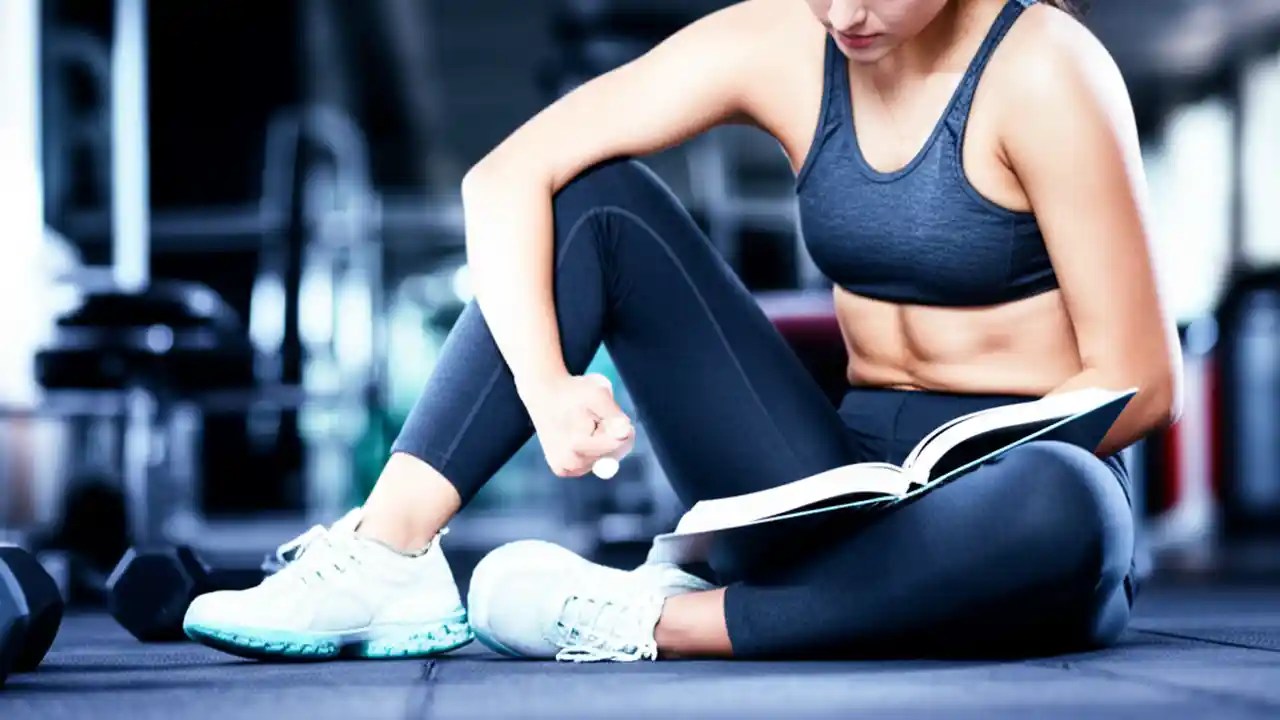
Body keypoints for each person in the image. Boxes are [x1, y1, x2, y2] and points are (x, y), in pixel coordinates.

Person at [183, 0, 1183, 663]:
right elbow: (505, 177)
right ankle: (388, 554)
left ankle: (648, 617)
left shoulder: (1045, 70)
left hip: (996, 510)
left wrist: (974, 483)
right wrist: (547, 386)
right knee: (598, 201)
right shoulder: (784, 42)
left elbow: (1142, 380)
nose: (843, 13)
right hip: (829, 485)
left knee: (1069, 507)